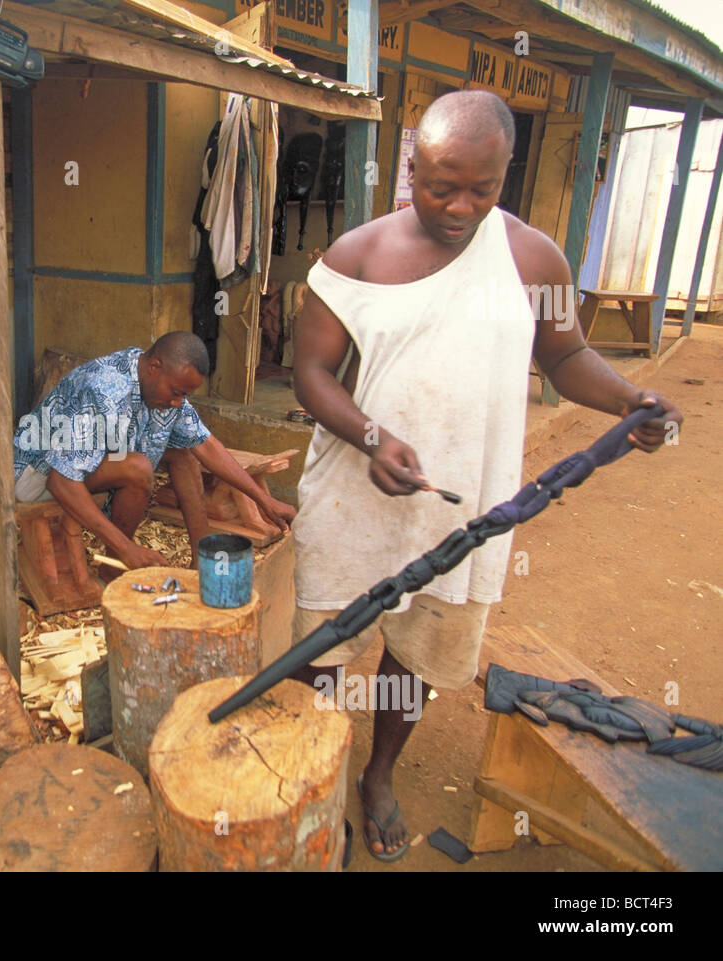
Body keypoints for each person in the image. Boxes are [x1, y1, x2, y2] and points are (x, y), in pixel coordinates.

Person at [290, 90, 683, 862]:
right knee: (324, 653)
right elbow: (310, 374)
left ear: (508, 172)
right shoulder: (357, 255)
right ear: (411, 168)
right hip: (354, 497)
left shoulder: (535, 258)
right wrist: (373, 436)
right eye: (442, 186)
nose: (461, 206)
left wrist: (628, 397)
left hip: (460, 507)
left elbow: (566, 358)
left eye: (483, 187)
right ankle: (320, 772)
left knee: (420, 653)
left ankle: (377, 774)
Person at [12, 331, 297, 571]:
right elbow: (61, 481)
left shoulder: (159, 380)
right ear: (154, 367)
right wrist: (128, 549)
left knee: (184, 454)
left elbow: (205, 444)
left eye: (184, 395)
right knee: (137, 469)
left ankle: (202, 561)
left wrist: (263, 500)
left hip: (91, 454)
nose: (177, 402)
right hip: (36, 473)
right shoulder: (104, 391)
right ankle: (112, 571)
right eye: (176, 392)